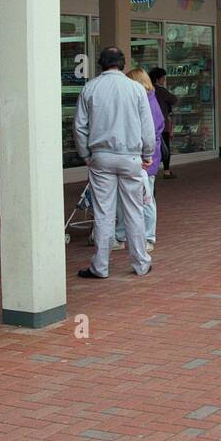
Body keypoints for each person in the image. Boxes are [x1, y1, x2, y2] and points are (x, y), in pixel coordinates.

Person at [74, 46, 155, 280]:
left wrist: (85, 154)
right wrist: (147, 153)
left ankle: (100, 266)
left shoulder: (90, 88)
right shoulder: (136, 89)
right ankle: (141, 262)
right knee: (134, 210)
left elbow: (79, 126)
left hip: (101, 156)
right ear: (122, 63)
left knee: (104, 212)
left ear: (101, 63)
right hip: (131, 156)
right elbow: (146, 125)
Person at [111, 67, 165, 254]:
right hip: (137, 157)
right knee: (129, 197)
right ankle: (121, 235)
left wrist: (146, 155)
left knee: (146, 198)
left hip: (145, 159)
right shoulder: (146, 100)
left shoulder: (147, 102)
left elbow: (151, 131)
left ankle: (148, 237)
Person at [147, 67, 177, 179]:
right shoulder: (160, 90)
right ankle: (166, 171)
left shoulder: (147, 89)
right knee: (165, 147)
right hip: (161, 123)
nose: (164, 80)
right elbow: (174, 99)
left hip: (150, 123)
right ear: (158, 79)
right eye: (163, 78)